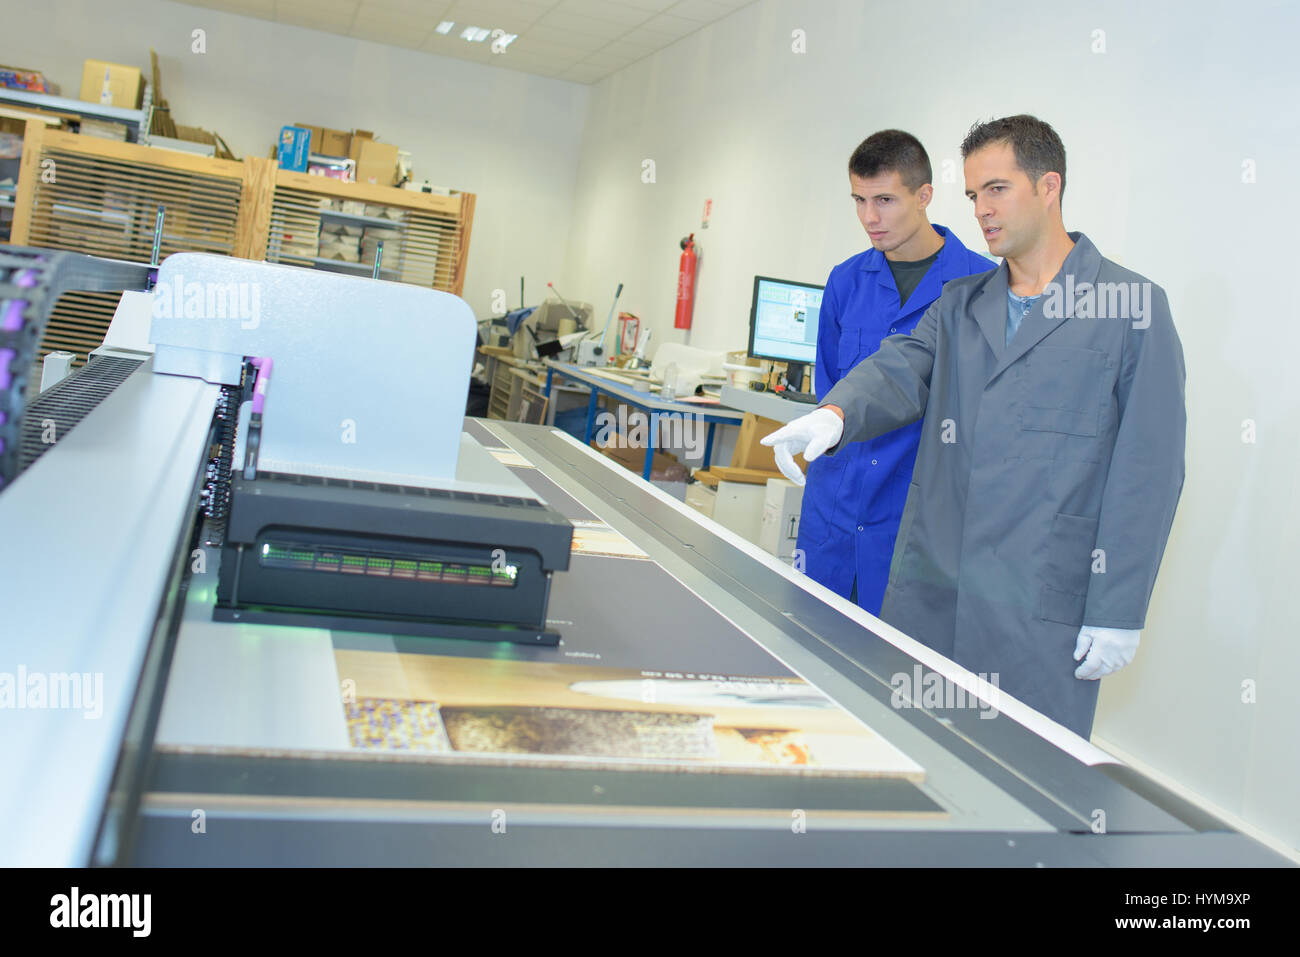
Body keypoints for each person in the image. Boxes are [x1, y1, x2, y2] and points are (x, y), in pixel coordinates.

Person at [762, 115, 1186, 738]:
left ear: (1048, 186)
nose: (981, 210)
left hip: (1042, 602)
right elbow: (902, 366)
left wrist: (1117, 607)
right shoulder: (962, 302)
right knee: (916, 764)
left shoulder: (1130, 308)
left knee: (1026, 783)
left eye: (997, 189)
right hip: (936, 589)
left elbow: (1147, 471)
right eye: (972, 195)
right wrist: (834, 414)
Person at [796, 130, 991, 617]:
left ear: (924, 195)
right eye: (859, 200)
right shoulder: (845, 279)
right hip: (834, 512)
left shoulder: (979, 286)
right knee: (813, 651)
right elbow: (832, 392)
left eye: (884, 200)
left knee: (897, 676)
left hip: (915, 520)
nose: (869, 218)